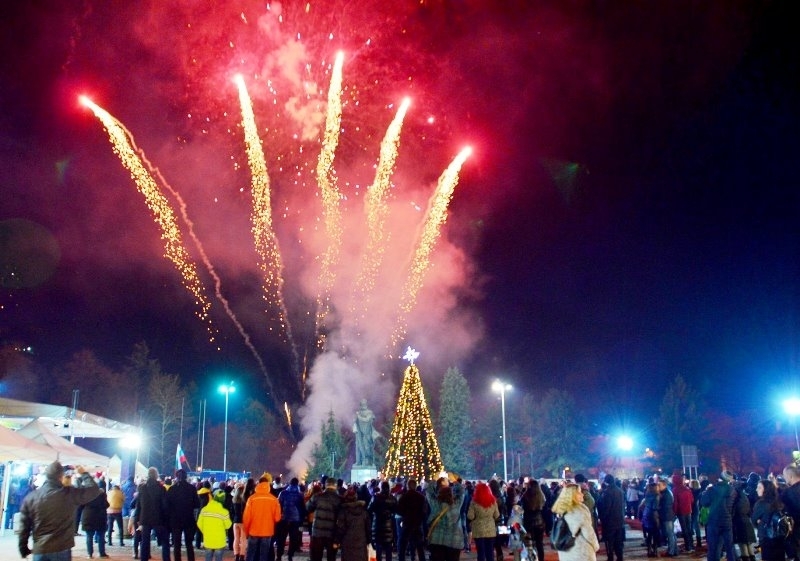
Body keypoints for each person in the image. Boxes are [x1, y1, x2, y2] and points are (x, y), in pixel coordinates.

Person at [18, 462, 103, 561]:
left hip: (40, 548)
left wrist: (23, 548)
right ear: (61, 476)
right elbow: (93, 490)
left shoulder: (31, 497)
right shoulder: (69, 494)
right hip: (61, 547)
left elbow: (24, 527)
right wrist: (84, 474)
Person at [551, 483, 600, 561]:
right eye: (579, 492)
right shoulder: (579, 511)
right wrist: (596, 546)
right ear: (572, 495)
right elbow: (588, 533)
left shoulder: (561, 509)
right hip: (581, 551)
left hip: (565, 550)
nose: (582, 494)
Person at [243, 473, 282, 561]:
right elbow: (277, 518)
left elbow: (246, 518)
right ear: (268, 485)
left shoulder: (251, 499)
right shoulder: (274, 500)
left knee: (251, 554)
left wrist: (246, 532)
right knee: (264, 555)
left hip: (253, 531)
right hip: (267, 531)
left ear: (258, 485)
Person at [425, 476, 466, 561]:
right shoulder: (456, 505)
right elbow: (462, 492)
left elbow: (428, 492)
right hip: (454, 541)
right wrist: (455, 481)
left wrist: (434, 479)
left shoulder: (435, 504)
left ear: (439, 494)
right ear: (451, 494)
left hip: (437, 540)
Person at [700, 471, 736, 561]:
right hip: (727, 521)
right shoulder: (732, 490)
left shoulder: (712, 489)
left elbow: (704, 502)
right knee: (730, 547)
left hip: (713, 521)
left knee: (713, 548)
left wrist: (706, 491)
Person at [168, 469, 202, 561]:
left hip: (175, 520)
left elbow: (168, 505)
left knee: (177, 544)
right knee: (189, 544)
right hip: (188, 519)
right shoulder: (191, 488)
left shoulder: (172, 489)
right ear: (186, 477)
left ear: (176, 477)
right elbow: (197, 504)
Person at [137, 467, 170, 561]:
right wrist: (166, 518)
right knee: (165, 541)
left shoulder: (142, 488)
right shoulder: (161, 488)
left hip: (145, 517)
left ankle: (144, 559)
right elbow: (164, 505)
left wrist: (137, 519)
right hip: (158, 517)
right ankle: (166, 559)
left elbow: (138, 505)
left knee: (145, 541)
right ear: (156, 475)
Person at [307, 477, 342, 561]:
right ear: (335, 486)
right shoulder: (339, 499)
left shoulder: (317, 496)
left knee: (316, 556)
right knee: (331, 557)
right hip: (332, 533)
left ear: (325, 485)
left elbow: (308, 508)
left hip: (317, 532)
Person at [752, 478, 786, 561]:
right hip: (780, 536)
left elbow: (754, 520)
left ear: (766, 490)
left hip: (766, 537)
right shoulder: (778, 501)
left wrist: (759, 521)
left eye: (759, 487)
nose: (756, 489)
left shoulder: (761, 504)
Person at [396, 477, 427, 561]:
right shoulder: (421, 497)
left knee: (403, 545)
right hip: (417, 523)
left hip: (407, 523)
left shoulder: (404, 497)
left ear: (408, 486)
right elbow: (424, 511)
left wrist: (405, 515)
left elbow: (398, 510)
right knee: (420, 547)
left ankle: (402, 559)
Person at [196, 490, 233, 561]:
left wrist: (205, 531)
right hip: (219, 541)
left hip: (208, 540)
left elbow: (199, 523)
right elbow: (228, 525)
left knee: (208, 558)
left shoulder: (204, 509)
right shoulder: (224, 512)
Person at [336, 486, 370, 561]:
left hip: (347, 543)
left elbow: (340, 528)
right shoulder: (363, 511)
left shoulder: (344, 511)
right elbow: (368, 528)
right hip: (361, 542)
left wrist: (336, 541)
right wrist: (368, 541)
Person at [467, 482, 500, 561]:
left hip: (478, 530)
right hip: (490, 530)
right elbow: (497, 515)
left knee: (481, 553)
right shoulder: (493, 501)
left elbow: (470, 516)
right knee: (490, 552)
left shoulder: (474, 502)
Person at [597, 474, 625, 561]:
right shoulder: (620, 491)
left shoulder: (607, 492)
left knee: (610, 541)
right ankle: (620, 557)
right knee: (618, 541)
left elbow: (606, 508)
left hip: (610, 521)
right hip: (619, 520)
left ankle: (610, 557)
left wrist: (602, 518)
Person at [277, 477, 306, 561]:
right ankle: (290, 555)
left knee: (281, 538)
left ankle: (279, 556)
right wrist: (301, 519)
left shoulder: (283, 493)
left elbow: (279, 506)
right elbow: (302, 509)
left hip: (284, 519)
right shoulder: (300, 495)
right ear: (297, 484)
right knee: (293, 538)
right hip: (295, 520)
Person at [368, 480, 398, 561]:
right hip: (389, 526)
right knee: (388, 550)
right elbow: (396, 510)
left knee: (378, 550)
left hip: (377, 525)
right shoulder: (392, 498)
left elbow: (369, 510)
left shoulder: (375, 497)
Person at [81, 481, 110, 559]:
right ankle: (102, 553)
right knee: (101, 536)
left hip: (88, 517)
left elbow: (81, 505)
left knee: (89, 536)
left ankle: (90, 554)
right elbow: (106, 505)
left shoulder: (87, 495)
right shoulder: (102, 494)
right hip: (100, 517)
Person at [520, 479, 546, 561]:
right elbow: (545, 509)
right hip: (539, 522)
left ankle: (532, 559)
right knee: (540, 543)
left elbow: (522, 508)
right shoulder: (541, 496)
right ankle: (541, 559)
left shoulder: (525, 496)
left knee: (530, 544)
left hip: (528, 522)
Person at [732, 481, 757, 561]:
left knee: (743, 545)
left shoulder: (736, 497)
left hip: (739, 522)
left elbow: (733, 511)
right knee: (749, 544)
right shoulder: (744, 496)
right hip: (747, 521)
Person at [671, 474, 694, 554]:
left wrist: (674, 512)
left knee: (684, 529)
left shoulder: (675, 490)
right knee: (689, 528)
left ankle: (688, 547)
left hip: (681, 512)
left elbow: (675, 503)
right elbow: (692, 500)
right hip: (688, 510)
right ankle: (691, 545)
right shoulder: (687, 489)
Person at [353, 399, 379, 466]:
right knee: (358, 448)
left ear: (366, 404)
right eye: (361, 403)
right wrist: (354, 423)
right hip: (359, 434)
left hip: (367, 434)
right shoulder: (358, 412)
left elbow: (366, 419)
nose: (363, 405)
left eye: (364, 403)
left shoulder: (369, 412)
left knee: (367, 448)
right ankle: (359, 462)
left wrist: (358, 416)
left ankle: (368, 461)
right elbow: (354, 422)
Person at [657, 479, 677, 556]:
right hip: (668, 516)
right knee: (671, 534)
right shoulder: (665, 492)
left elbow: (664, 507)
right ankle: (674, 550)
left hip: (667, 516)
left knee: (670, 534)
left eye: (660, 485)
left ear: (664, 485)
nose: (658, 487)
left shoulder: (666, 494)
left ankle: (671, 551)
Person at [641, 482, 661, 558]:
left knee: (649, 534)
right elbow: (655, 508)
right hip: (653, 515)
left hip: (646, 514)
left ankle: (649, 550)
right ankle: (655, 550)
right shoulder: (656, 496)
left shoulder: (647, 495)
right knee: (655, 533)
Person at [232, 483, 247, 561]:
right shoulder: (244, 501)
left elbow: (232, 512)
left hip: (235, 521)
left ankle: (236, 555)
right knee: (243, 539)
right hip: (243, 521)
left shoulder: (234, 500)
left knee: (236, 539)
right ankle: (242, 555)